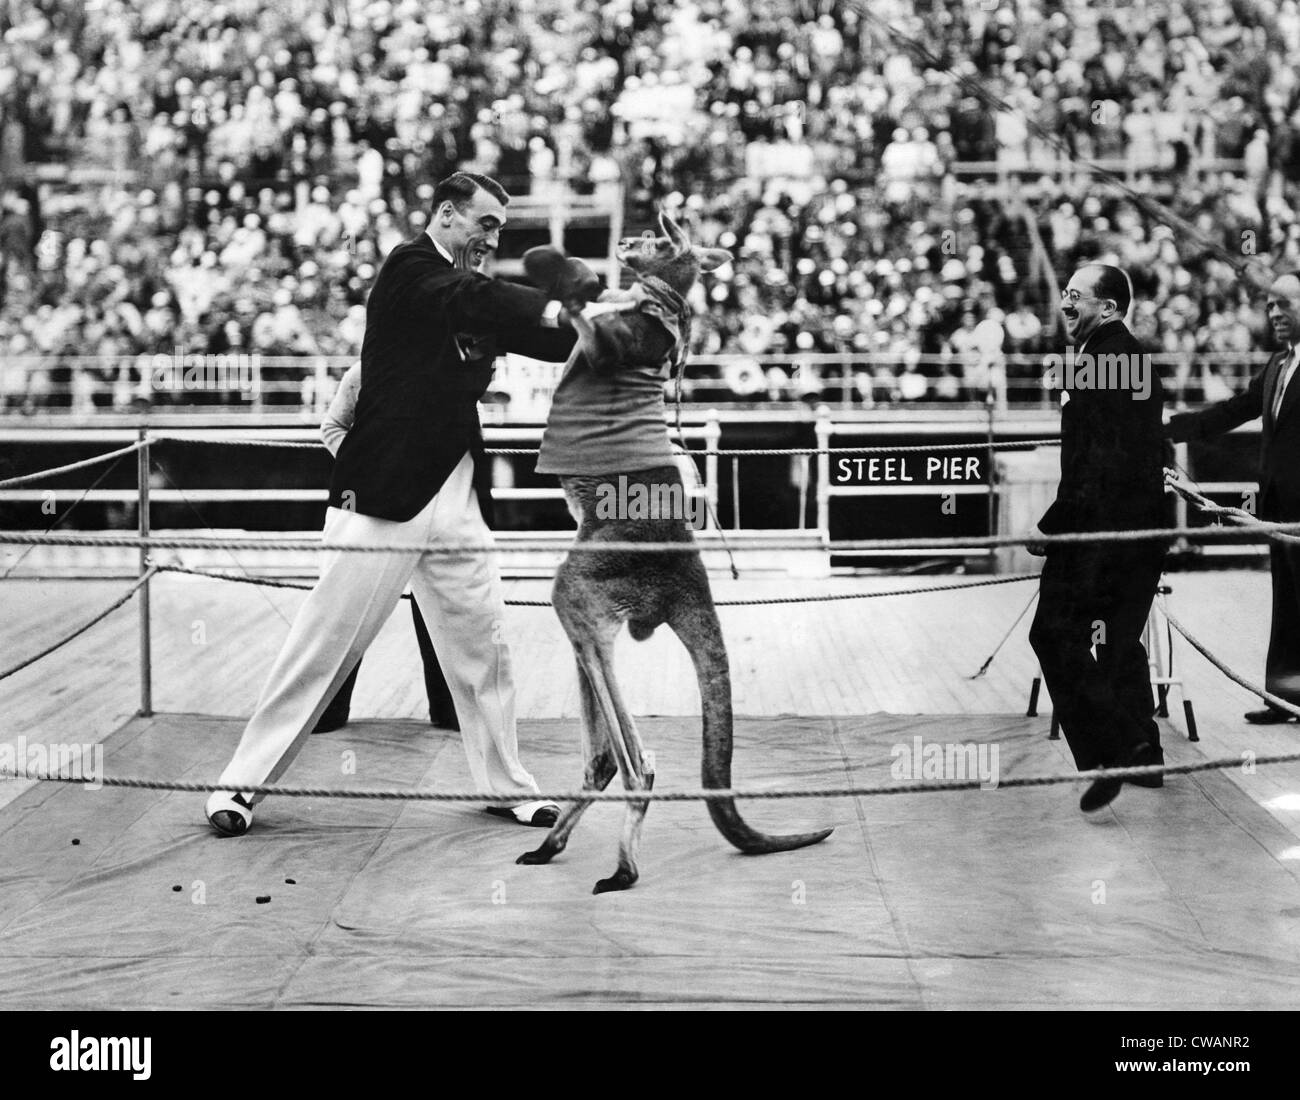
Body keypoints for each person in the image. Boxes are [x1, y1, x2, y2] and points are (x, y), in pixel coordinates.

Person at [204, 171, 605, 836]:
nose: (493, 238)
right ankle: (238, 787)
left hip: (455, 495)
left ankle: (509, 786)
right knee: (323, 645)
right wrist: (552, 294)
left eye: (500, 228)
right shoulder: (409, 267)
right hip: (382, 495)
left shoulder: (475, 296)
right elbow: (475, 296)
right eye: (484, 224)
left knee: (485, 649)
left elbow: (553, 340)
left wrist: (624, 324)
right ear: (446, 216)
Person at [1027, 263, 1169, 813]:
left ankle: (1112, 751)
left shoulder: (1100, 362)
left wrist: (1052, 527)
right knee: (1114, 642)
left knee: (1055, 633)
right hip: (1138, 532)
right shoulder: (1127, 358)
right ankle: (1144, 758)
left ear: (1106, 308)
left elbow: (1095, 463)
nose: (1064, 304)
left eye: (1074, 296)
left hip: (1098, 532)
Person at [1167, 271, 1300, 724]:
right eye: (1270, 306)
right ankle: (1285, 697)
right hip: (1280, 506)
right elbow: (1234, 410)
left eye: (1285, 303)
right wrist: (1171, 426)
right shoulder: (1279, 365)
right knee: (1286, 598)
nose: (1275, 314)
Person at [313, 361, 460, 734]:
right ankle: (327, 709)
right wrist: (372, 464)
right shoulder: (363, 372)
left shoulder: (453, 371)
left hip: (430, 504)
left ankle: (449, 707)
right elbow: (331, 427)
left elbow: (469, 435)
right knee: (348, 604)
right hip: (365, 504)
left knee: (437, 603)